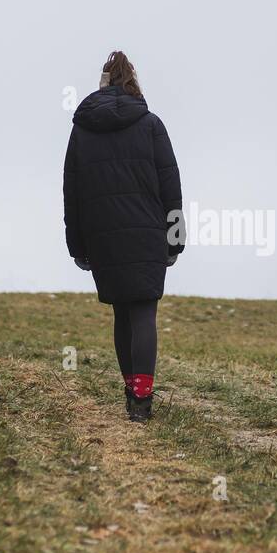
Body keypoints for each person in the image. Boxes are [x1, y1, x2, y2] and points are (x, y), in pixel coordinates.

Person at [63, 51, 183, 422]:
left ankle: (131, 388)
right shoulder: (150, 124)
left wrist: (77, 244)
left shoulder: (82, 128)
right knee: (144, 310)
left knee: (121, 312)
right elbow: (170, 185)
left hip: (103, 235)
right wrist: (175, 237)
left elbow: (72, 190)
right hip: (147, 233)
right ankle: (142, 399)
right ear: (134, 81)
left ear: (102, 84)